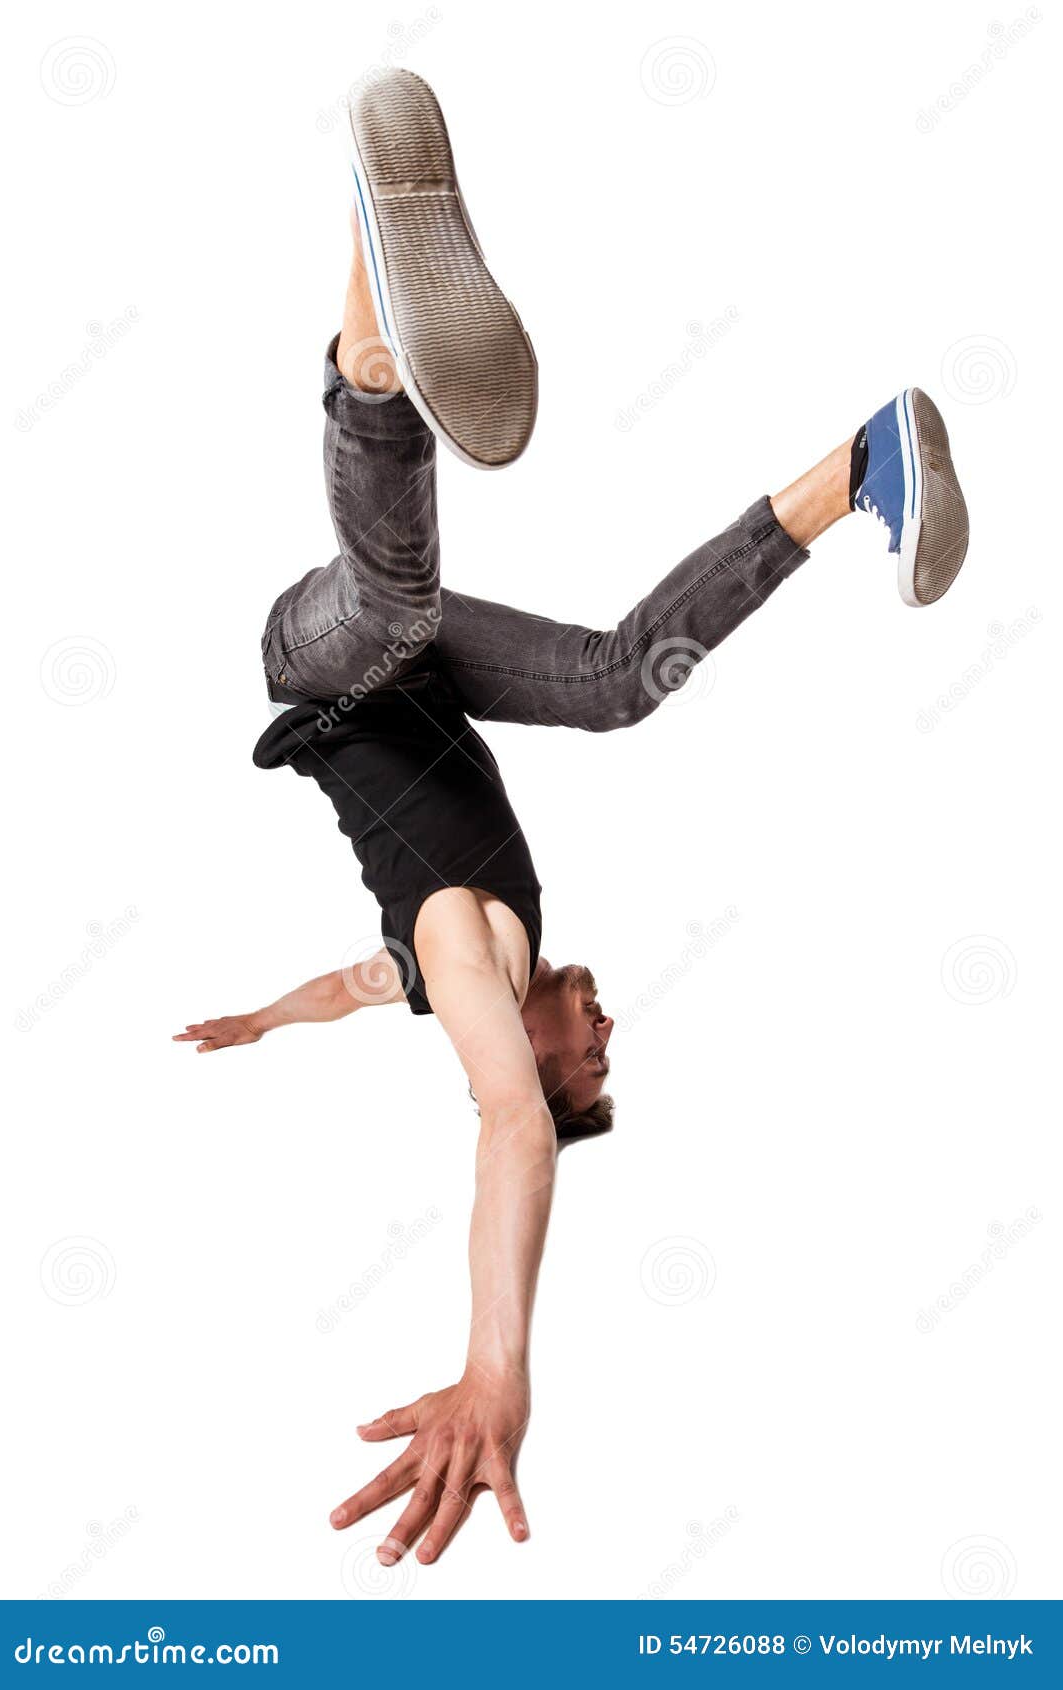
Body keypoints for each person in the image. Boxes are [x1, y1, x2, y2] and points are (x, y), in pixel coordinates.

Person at [174, 69, 968, 1568]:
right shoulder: (441, 962)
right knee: (616, 682)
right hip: (424, 673)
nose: (605, 1029)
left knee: (390, 597)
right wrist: (264, 1022)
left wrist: (497, 1369)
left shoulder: (467, 960)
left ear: (529, 1061)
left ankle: (371, 349)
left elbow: (505, 1125)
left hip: (326, 658)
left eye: (585, 1060)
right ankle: (862, 463)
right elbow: (349, 990)